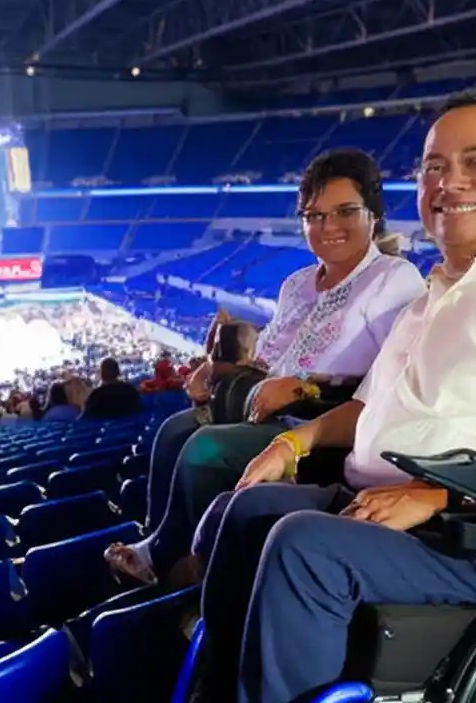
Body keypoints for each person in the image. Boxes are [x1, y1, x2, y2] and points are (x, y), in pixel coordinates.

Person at [195, 90, 476, 702]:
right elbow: (367, 410)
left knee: (304, 545)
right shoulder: (436, 294)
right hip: (384, 506)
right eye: (434, 167)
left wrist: (433, 493)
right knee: (241, 509)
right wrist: (295, 439)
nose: (450, 181)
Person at [105, 148, 427, 586]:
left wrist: (304, 388)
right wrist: (216, 372)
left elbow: (389, 382)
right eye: (313, 216)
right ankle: (162, 541)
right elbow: (267, 356)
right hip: (260, 408)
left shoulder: (395, 278)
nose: (327, 226)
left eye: (344, 211)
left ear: (373, 213)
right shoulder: (295, 284)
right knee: (173, 431)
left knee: (204, 449)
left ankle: (184, 570)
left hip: (323, 426)